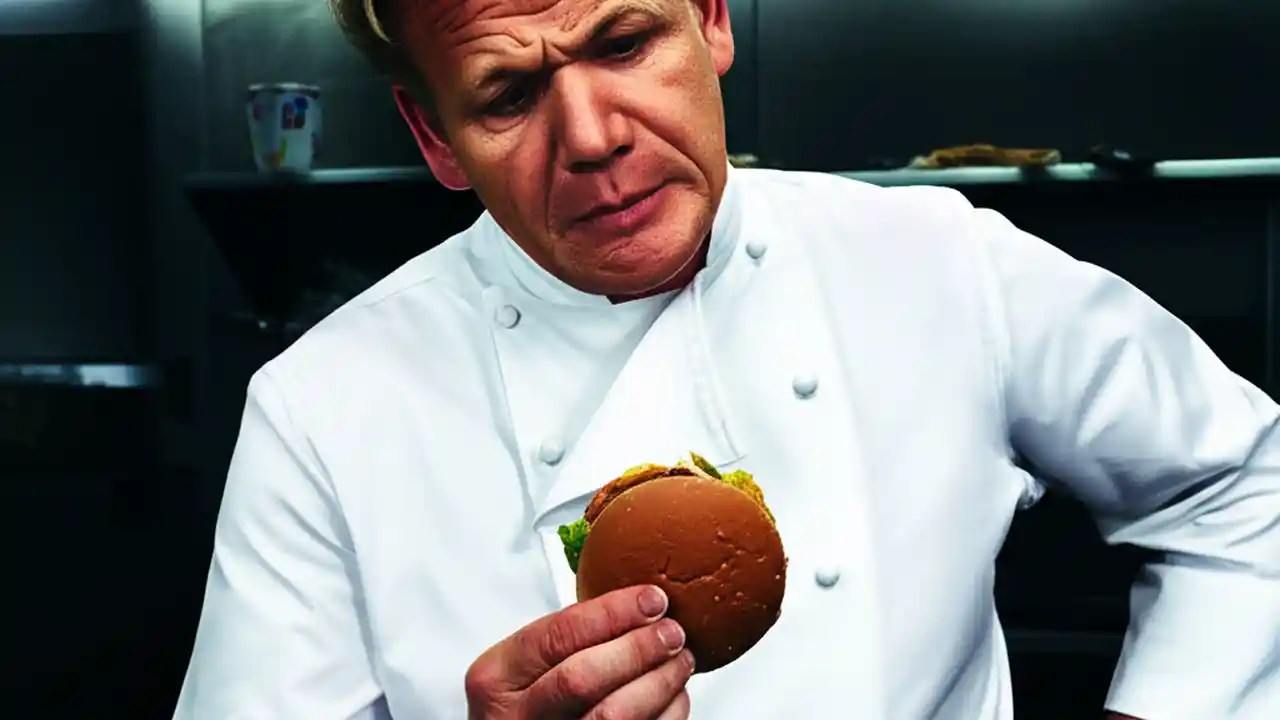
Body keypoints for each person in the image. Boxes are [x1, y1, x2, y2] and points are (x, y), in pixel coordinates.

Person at [174, 0, 1280, 718]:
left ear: (708, 19)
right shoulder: (321, 408)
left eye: (621, 43)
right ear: (433, 139)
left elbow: (1245, 484)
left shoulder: (933, 261)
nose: (594, 136)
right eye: (508, 95)